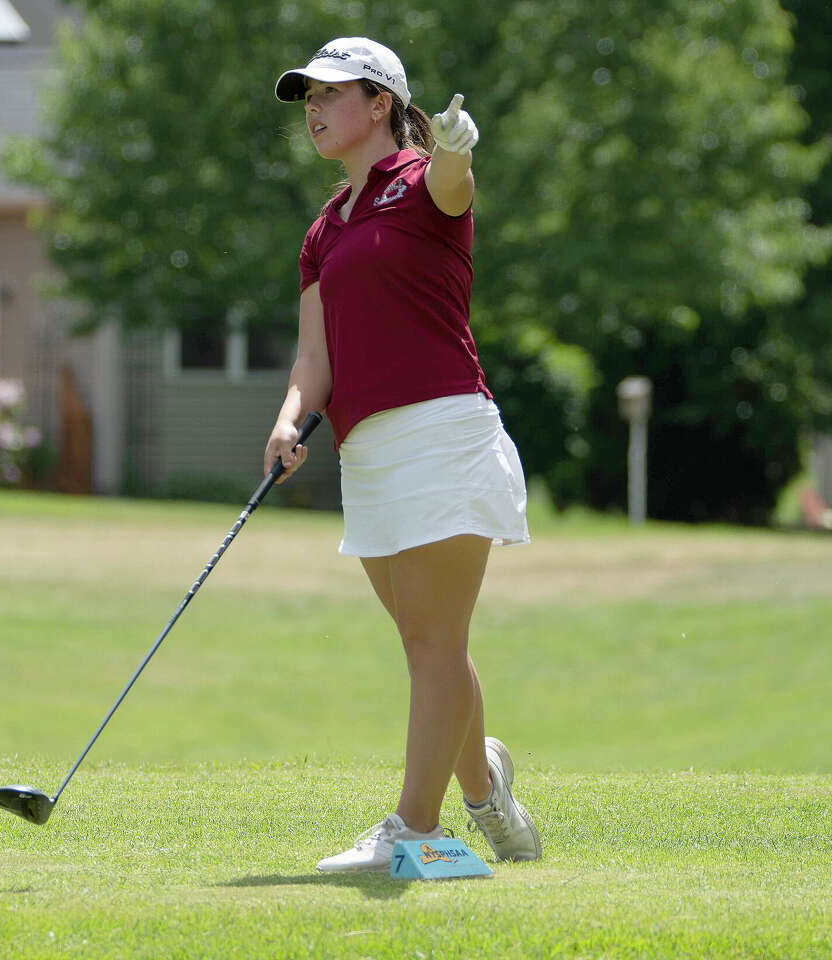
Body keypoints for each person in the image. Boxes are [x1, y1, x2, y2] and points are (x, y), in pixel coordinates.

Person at [263, 37, 542, 873]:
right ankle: (488, 785)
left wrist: (457, 152)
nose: (313, 108)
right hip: (368, 450)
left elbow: (454, 187)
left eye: (331, 93)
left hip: (446, 431)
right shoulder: (324, 229)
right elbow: (315, 358)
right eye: (306, 96)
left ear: (379, 102)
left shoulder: (424, 182)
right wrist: (288, 420)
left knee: (432, 640)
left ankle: (416, 830)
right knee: (432, 643)